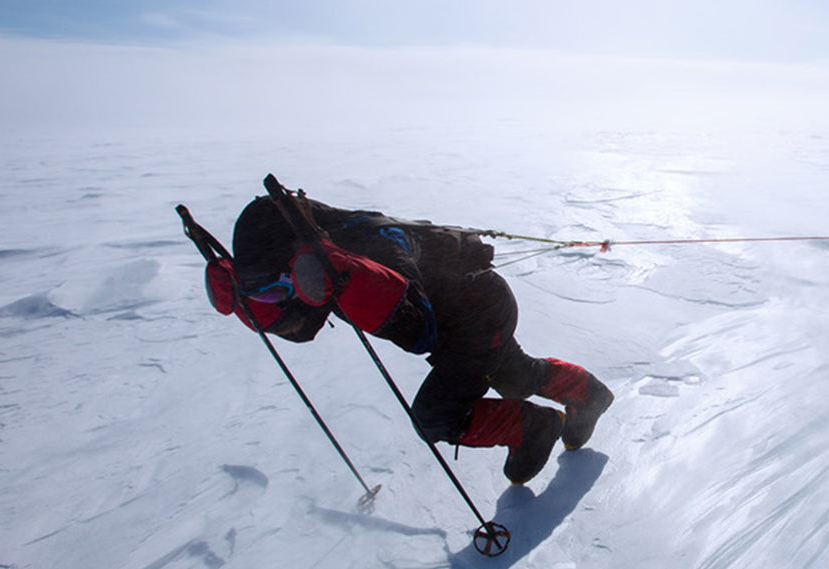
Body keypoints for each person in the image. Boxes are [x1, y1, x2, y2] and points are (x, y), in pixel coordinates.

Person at [224, 192, 613, 485]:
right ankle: (587, 394)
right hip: (468, 315)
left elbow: (419, 330)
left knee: (435, 417)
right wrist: (265, 307)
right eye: (262, 293)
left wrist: (356, 283)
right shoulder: (317, 261)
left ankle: (534, 427)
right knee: (515, 376)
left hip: (477, 316)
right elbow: (304, 320)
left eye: (276, 289)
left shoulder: (365, 249)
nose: (277, 298)